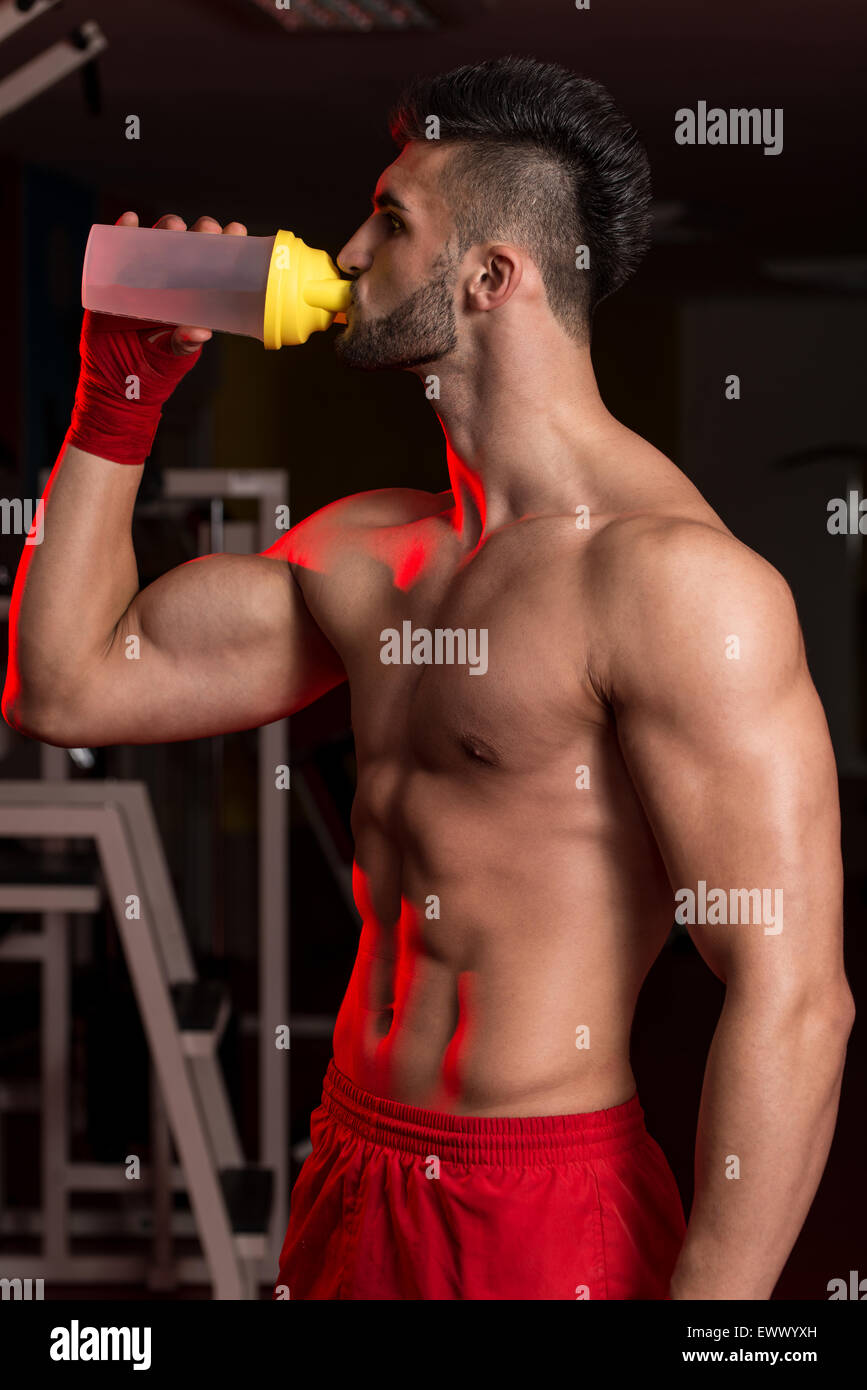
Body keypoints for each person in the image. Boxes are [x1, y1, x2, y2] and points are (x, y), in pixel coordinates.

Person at [4, 56, 853, 1301]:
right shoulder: (371, 553)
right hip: (351, 1171)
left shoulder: (676, 586)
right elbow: (64, 684)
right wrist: (115, 400)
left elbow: (793, 1000)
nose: (345, 252)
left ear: (491, 278)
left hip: (540, 1204)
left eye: (389, 220)